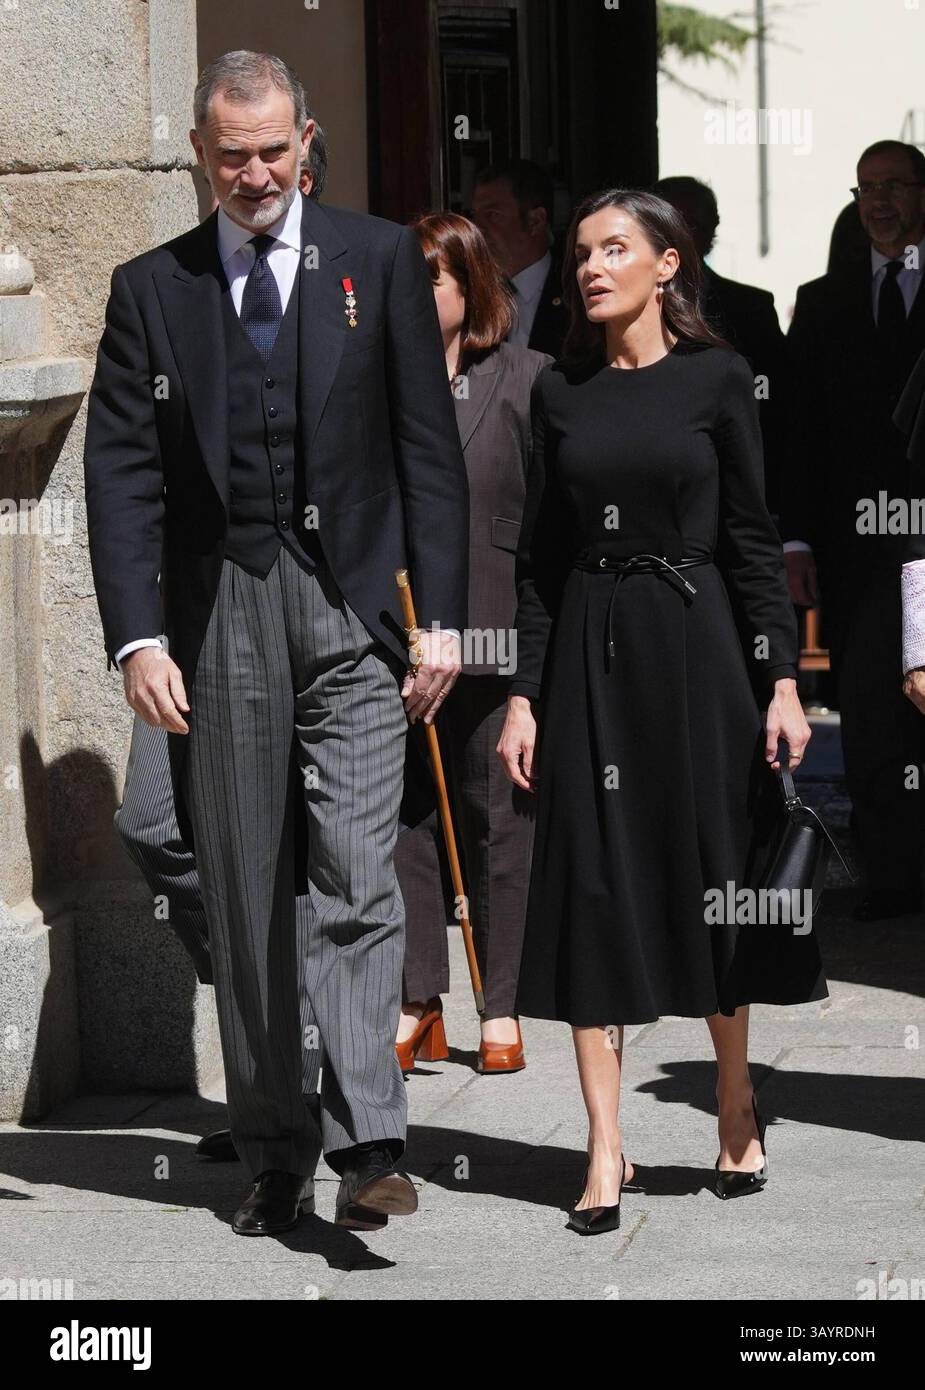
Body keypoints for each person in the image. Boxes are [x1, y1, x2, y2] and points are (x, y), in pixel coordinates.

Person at [84, 50, 469, 1237]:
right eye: (230, 154)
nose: (254, 174)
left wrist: (440, 615)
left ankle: (370, 1144)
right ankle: (271, 1148)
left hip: (351, 610)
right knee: (249, 898)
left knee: (357, 876)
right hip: (219, 618)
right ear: (201, 155)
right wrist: (140, 637)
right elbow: (123, 474)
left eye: (272, 149)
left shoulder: (381, 260)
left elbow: (426, 452)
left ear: (306, 140)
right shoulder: (154, 287)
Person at [497, 188, 827, 1235]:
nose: (590, 266)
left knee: (711, 875)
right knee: (595, 883)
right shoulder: (560, 392)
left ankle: (734, 1099)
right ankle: (604, 1145)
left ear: (666, 265)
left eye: (613, 248)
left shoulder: (719, 377)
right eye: (580, 251)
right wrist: (522, 695)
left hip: (699, 654)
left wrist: (781, 679)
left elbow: (748, 535)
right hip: (592, 657)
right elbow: (540, 562)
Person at [394, 213, 551, 1074]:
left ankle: (500, 999)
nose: (415, 297)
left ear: (472, 289)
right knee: (406, 819)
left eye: (432, 279)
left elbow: (543, 528)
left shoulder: (529, 380)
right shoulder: (377, 381)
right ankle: (418, 998)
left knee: (496, 818)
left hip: (493, 631)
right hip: (400, 632)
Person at [785, 140, 925, 920]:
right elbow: (801, 433)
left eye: (894, 186)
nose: (878, 201)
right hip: (861, 545)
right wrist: (797, 540)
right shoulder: (823, 299)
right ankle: (892, 875)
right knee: (872, 708)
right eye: (866, 187)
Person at [654, 176, 794, 526]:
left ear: (710, 232)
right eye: (662, 225)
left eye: (688, 225)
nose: (675, 239)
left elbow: (778, 420)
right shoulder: (616, 306)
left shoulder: (751, 309)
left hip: (728, 503)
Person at [470, 159, 568, 359]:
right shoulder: (471, 298)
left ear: (535, 222)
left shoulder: (577, 296)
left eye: (492, 215)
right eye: (475, 217)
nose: (476, 230)